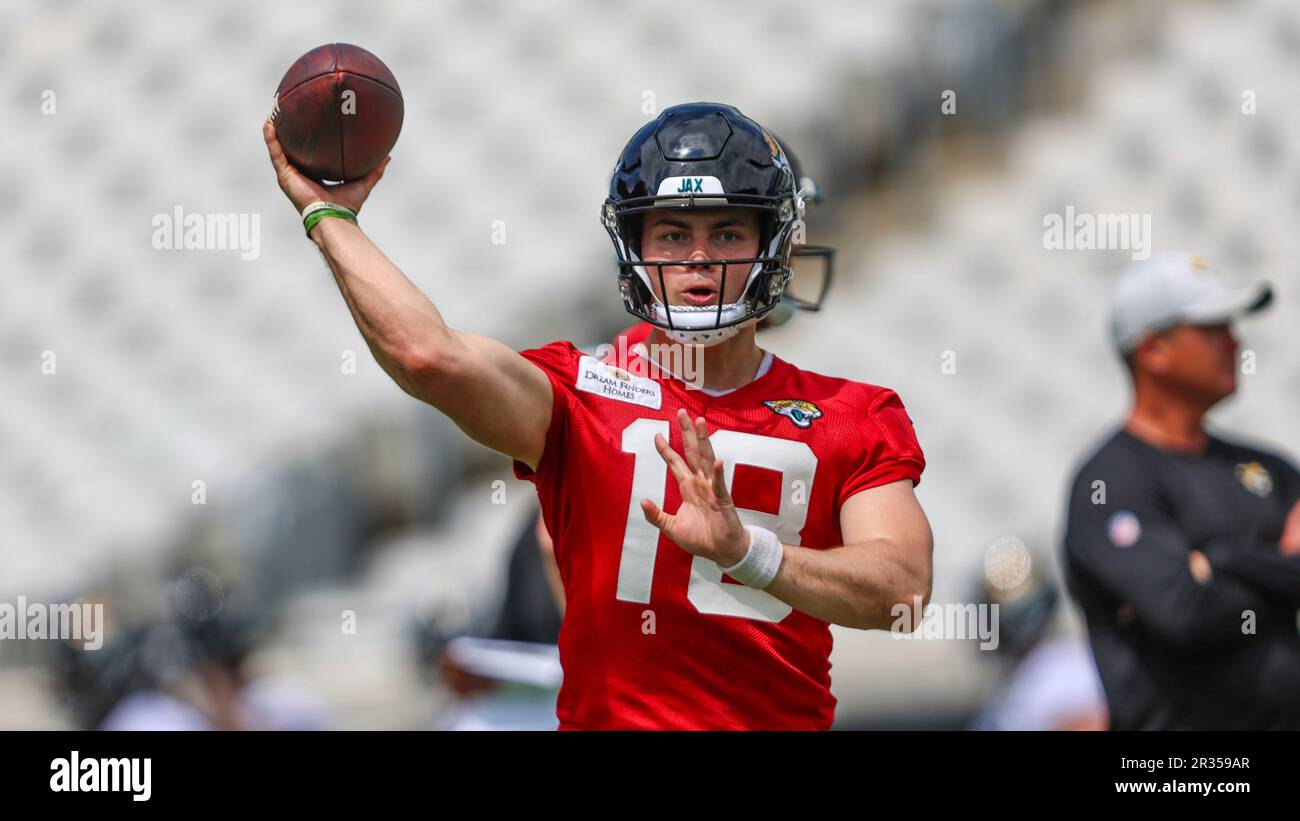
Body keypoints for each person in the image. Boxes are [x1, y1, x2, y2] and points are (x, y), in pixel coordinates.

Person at [264, 101, 933, 730]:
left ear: (776, 244)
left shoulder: (851, 411)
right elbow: (425, 355)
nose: (699, 258)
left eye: (727, 230)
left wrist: (748, 553)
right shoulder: (581, 391)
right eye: (673, 234)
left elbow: (903, 592)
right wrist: (329, 218)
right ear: (633, 247)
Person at [1062, 252, 1300, 730]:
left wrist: (1222, 562)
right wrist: (1283, 563)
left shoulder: (1267, 468)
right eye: (1212, 329)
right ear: (1153, 351)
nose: (1235, 342)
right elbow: (1186, 616)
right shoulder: (1110, 483)